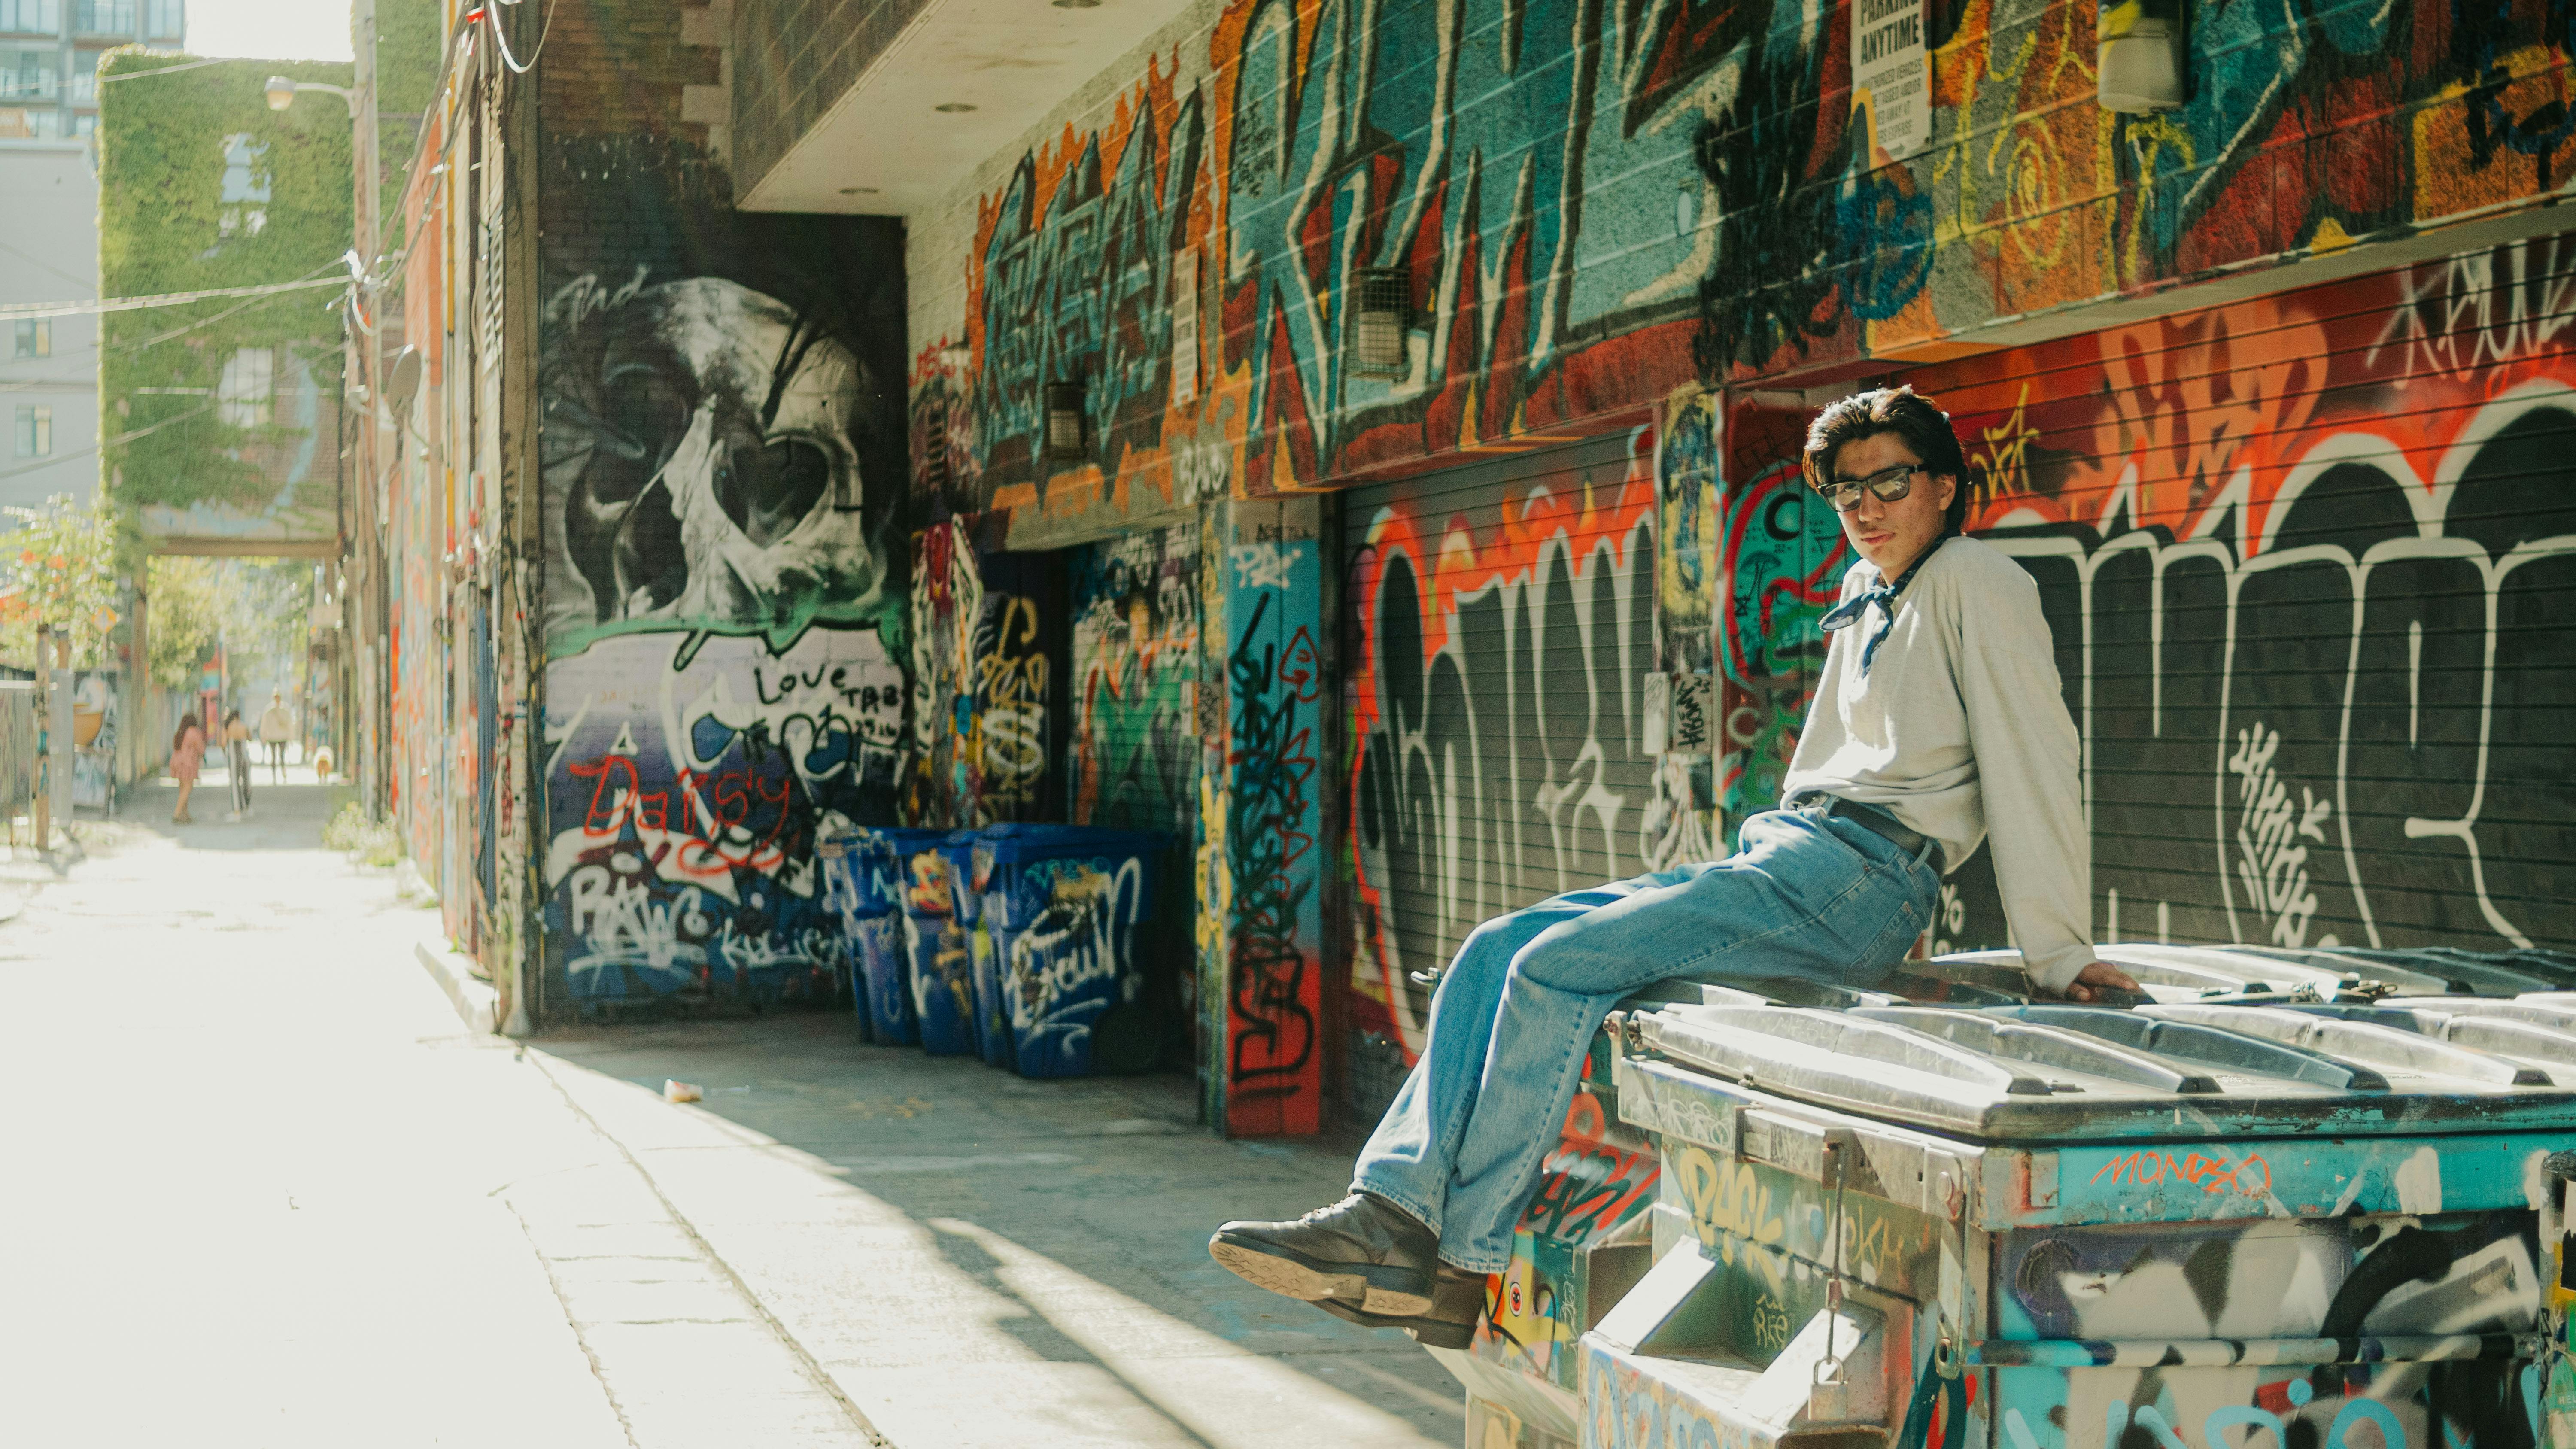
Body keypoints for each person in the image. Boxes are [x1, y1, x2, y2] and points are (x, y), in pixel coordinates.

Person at [1207, 386, 2140, 1342]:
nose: (1863, 506)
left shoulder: (1978, 581)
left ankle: (1453, 1257)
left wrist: (2059, 952)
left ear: (1945, 485)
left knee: (1554, 967)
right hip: (1795, 851)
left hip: (1861, 876)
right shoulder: (1868, 592)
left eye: (1889, 482)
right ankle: (1390, 1214)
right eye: (1846, 491)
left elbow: (2034, 755)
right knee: (1495, 946)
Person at [169, 717, 204, 824]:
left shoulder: (181, 732)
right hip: (188, 762)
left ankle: (185, 814)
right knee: (188, 788)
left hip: (177, 761)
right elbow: (201, 748)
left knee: (182, 788)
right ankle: (177, 813)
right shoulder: (194, 732)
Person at [222, 708, 253, 820]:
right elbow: (250, 738)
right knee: (247, 781)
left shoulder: (228, 727)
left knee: (235, 783)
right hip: (245, 756)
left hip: (234, 756)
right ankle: (247, 807)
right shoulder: (244, 726)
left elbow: (223, 743)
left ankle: (237, 810)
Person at [258, 692, 294, 783]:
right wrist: (263, 735)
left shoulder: (285, 709)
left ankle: (283, 771)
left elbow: (290, 723)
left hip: (283, 736)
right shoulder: (269, 710)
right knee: (274, 757)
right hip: (272, 736)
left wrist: (290, 736)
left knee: (282, 756)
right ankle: (274, 775)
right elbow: (264, 723)